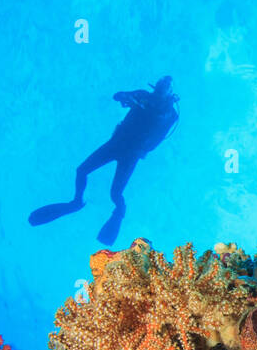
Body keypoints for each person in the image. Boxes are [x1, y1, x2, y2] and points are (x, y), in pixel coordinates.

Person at [29, 76, 179, 244]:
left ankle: (118, 213)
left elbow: (161, 123)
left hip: (132, 152)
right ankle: (76, 202)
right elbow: (118, 95)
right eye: (160, 84)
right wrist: (126, 97)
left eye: (165, 86)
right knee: (82, 171)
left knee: (115, 194)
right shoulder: (143, 95)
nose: (161, 87)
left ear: (170, 92)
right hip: (117, 143)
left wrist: (143, 105)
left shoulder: (170, 112)